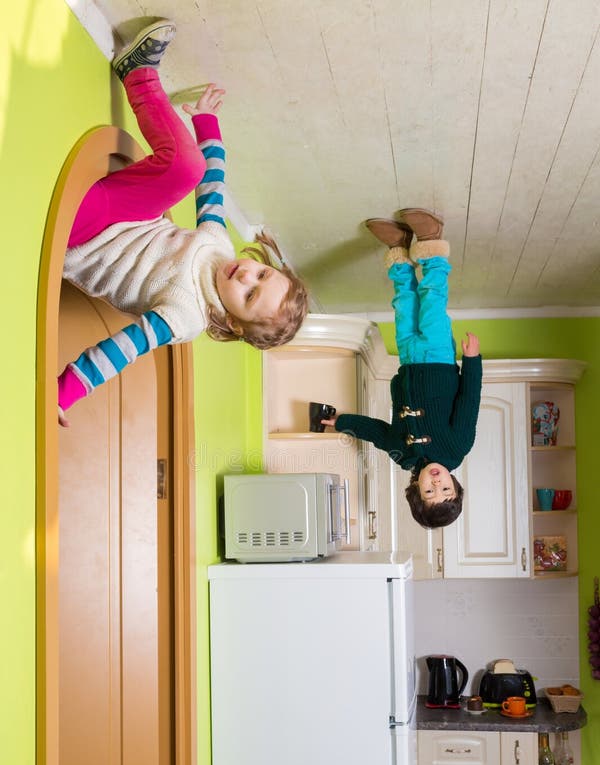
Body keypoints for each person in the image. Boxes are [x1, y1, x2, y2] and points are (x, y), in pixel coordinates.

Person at [58, 19, 309, 426]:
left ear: (232, 322)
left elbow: (123, 349)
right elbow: (213, 186)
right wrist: (207, 122)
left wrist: (65, 392)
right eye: (261, 274)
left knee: (185, 168)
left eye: (248, 295)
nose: (246, 275)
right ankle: (137, 72)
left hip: (86, 239)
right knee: (187, 168)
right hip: (126, 208)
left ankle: (140, 75)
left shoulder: (185, 315)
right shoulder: (219, 247)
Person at [321, 209, 482, 528]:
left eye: (429, 490)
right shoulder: (458, 447)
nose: (437, 482)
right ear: (454, 482)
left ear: (414, 489)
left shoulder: (402, 456)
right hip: (439, 359)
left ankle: (399, 250)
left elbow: (378, 433)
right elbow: (469, 401)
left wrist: (342, 422)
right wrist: (473, 361)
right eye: (445, 488)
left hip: (408, 361)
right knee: (432, 302)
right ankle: (432, 242)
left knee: (403, 306)